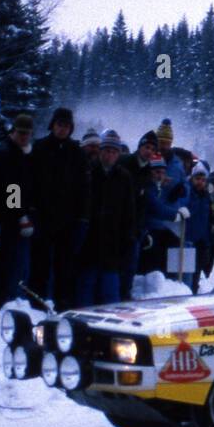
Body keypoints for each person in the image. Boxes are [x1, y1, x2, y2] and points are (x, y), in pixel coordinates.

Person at [28, 108, 88, 310]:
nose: (62, 129)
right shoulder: (39, 148)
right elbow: (24, 183)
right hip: (42, 217)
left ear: (71, 128)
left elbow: (83, 188)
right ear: (52, 125)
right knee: (40, 267)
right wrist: (26, 210)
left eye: (66, 126)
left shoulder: (77, 152)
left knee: (65, 267)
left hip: (68, 221)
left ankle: (63, 306)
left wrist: (80, 218)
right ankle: (37, 304)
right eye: (59, 124)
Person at [76, 129, 135, 306]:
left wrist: (128, 238)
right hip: (89, 241)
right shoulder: (88, 172)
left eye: (114, 151)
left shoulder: (124, 177)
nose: (110, 155)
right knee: (86, 288)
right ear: (101, 151)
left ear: (118, 154)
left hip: (112, 242)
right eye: (107, 150)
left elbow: (129, 212)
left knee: (110, 292)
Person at [0, 114, 36, 306]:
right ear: (13, 132)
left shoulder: (30, 155)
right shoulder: (7, 155)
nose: (24, 136)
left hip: (25, 218)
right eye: (20, 133)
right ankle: (6, 303)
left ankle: (14, 301)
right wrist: (20, 215)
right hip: (8, 222)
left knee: (21, 267)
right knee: (9, 266)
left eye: (27, 133)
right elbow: (11, 188)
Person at [116, 130, 160, 299]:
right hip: (116, 224)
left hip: (135, 228)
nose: (149, 151)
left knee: (130, 266)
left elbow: (144, 204)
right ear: (140, 147)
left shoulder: (148, 171)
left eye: (152, 149)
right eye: (146, 147)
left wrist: (143, 229)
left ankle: (124, 294)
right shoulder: (124, 162)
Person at [184, 163, 214, 293]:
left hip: (202, 240)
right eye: (197, 179)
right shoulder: (188, 192)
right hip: (189, 239)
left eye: (203, 180)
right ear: (192, 179)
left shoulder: (207, 196)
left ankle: (194, 292)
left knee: (197, 272)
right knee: (187, 273)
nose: (200, 182)